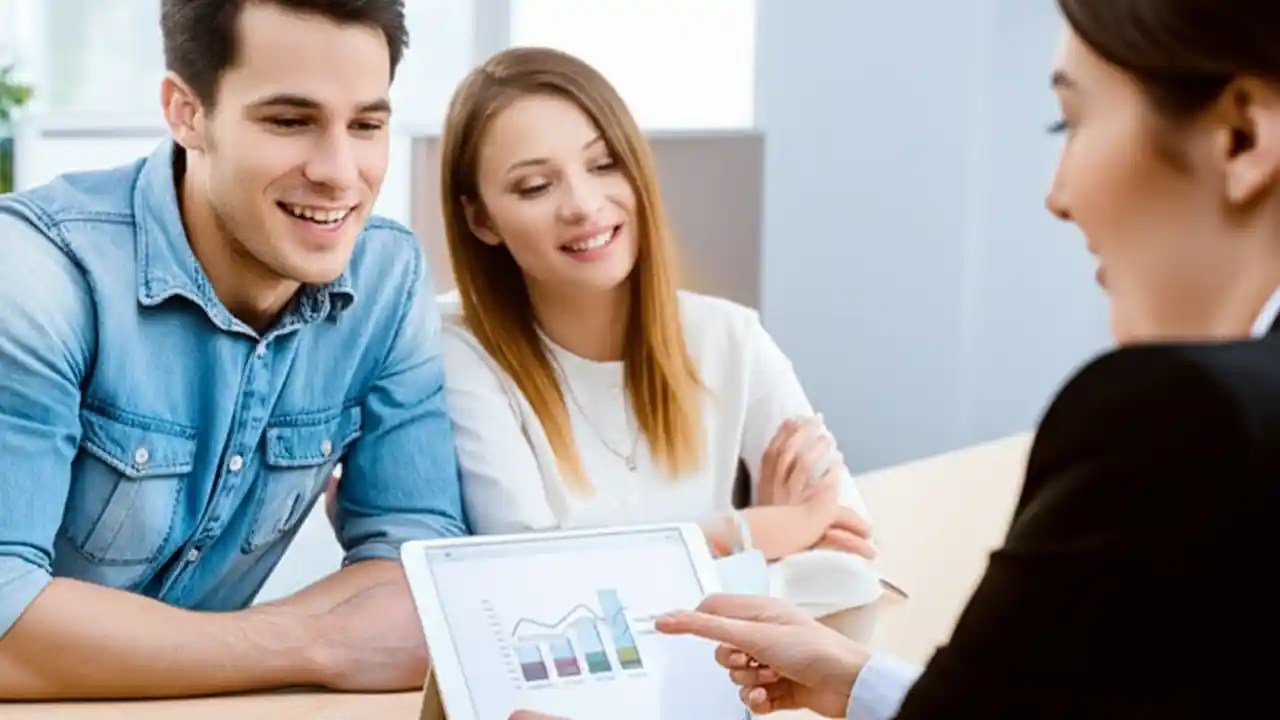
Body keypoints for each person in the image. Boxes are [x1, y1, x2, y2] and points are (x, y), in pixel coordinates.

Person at [652, 0, 1279, 717]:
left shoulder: (1178, 417)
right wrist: (856, 679)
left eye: (1070, 122)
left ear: (1241, 136)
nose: (1057, 196)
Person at [0, 0, 466, 700]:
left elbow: (418, 578)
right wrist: (316, 642)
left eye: (366, 124)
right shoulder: (39, 272)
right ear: (186, 112)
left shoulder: (383, 280)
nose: (341, 173)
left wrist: (81, 639)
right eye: (289, 121)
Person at [431, 46, 877, 592]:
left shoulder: (730, 339)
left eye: (603, 164)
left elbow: (848, 562)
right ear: (481, 219)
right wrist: (755, 536)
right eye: (535, 186)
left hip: (730, 675)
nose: (583, 204)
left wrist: (754, 546)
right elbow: (537, 578)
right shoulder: (457, 351)